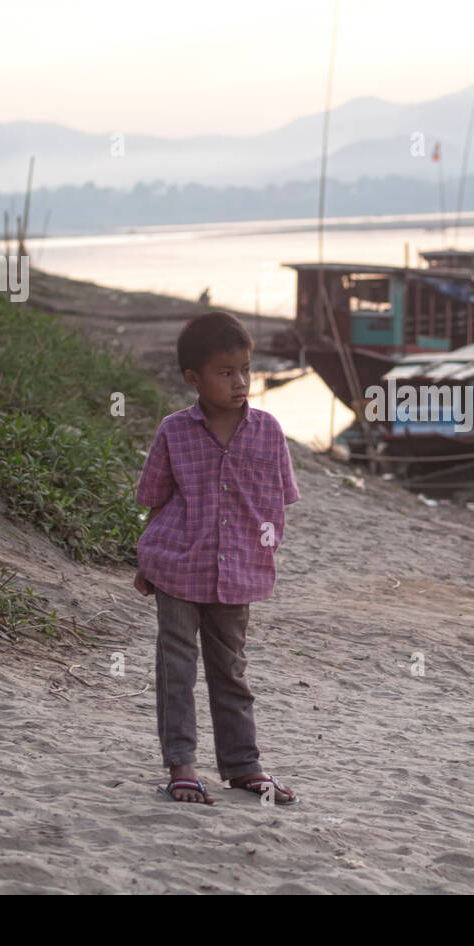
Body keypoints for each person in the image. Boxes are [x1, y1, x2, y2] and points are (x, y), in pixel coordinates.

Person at [134, 310, 300, 805]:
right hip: (178, 567)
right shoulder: (174, 431)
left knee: (231, 670)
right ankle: (182, 766)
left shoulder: (268, 431)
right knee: (177, 668)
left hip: (240, 573)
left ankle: (244, 767)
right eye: (226, 373)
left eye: (246, 370)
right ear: (194, 379)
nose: (241, 382)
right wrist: (148, 561)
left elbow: (277, 504)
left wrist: (263, 553)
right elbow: (157, 501)